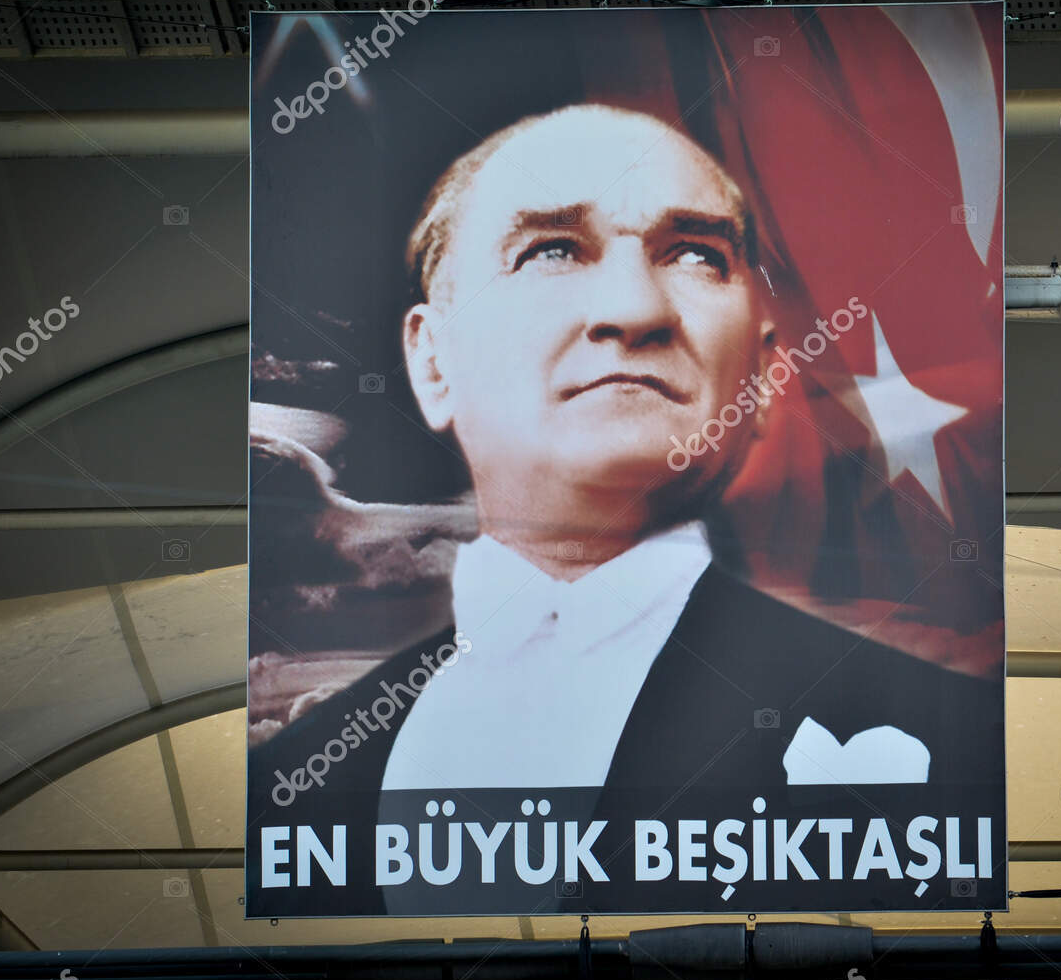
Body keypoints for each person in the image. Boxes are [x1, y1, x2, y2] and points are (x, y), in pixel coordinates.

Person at [251, 103, 1001, 839]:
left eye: (696, 255)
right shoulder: (296, 787)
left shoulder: (942, 745)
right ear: (431, 359)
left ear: (765, 377)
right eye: (551, 250)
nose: (634, 307)